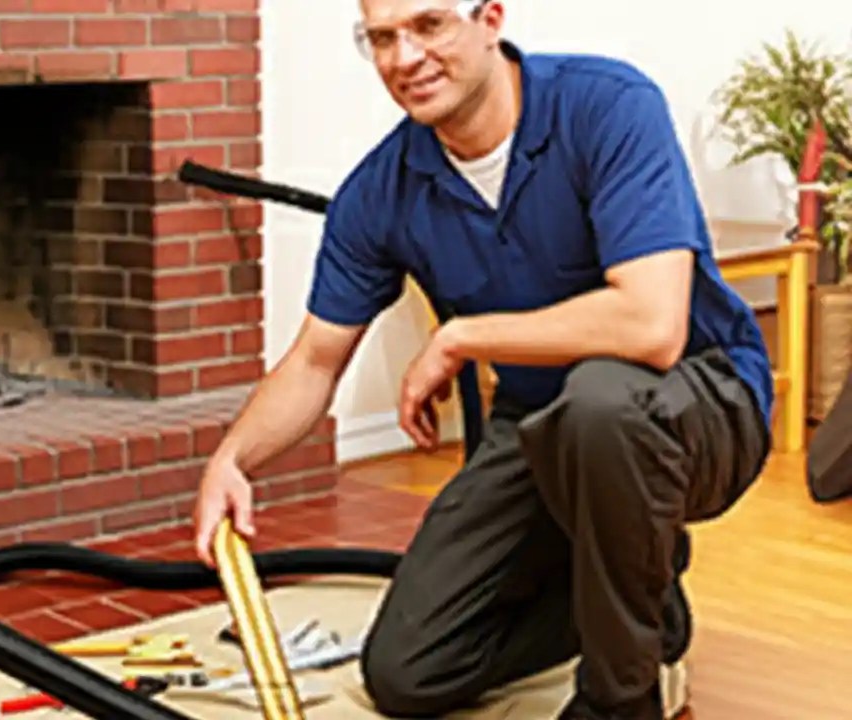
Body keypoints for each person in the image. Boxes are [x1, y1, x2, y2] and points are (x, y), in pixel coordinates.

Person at [191, 1, 774, 718]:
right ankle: (646, 596)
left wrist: (461, 337)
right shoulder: (380, 192)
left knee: (600, 399)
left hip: (695, 400)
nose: (404, 58)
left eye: (429, 25)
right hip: (539, 421)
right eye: (382, 38)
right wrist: (233, 460)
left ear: (490, 18)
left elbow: (651, 325)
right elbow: (315, 360)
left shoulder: (608, 107)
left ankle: (618, 698)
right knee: (409, 671)